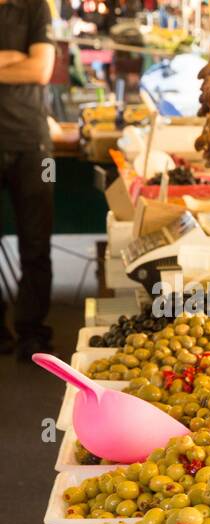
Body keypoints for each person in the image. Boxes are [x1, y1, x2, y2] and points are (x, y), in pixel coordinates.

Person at [0, 0, 55, 359]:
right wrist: (13, 59)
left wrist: (23, 62)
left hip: (33, 144)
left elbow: (41, 70)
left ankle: (31, 333)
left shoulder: (35, 6)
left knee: (36, 245)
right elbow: (29, 63)